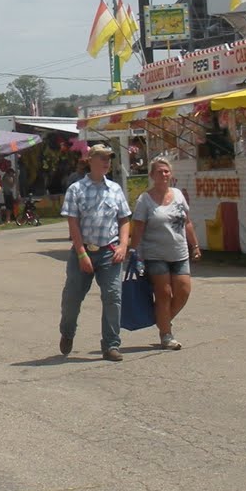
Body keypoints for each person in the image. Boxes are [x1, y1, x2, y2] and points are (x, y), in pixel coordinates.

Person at [58, 143, 132, 362]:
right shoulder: (77, 189)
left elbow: (124, 219)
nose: (106, 161)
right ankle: (67, 332)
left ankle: (111, 345)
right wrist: (81, 254)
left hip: (110, 252)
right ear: (90, 160)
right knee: (72, 298)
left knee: (113, 297)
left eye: (109, 157)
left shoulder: (115, 189)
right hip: (84, 251)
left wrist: (123, 245)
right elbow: (73, 224)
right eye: (101, 157)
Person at [130, 156, 200, 351]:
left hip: (179, 252)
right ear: (152, 175)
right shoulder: (144, 200)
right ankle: (166, 334)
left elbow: (187, 222)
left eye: (166, 171)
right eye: (159, 171)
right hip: (155, 254)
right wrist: (134, 253)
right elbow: (138, 229)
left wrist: (195, 245)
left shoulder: (178, 194)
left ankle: (162, 319)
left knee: (184, 290)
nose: (163, 174)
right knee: (164, 293)